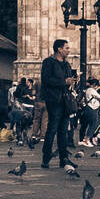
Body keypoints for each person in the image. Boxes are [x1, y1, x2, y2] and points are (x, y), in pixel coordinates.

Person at [39, 39, 75, 170]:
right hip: (54, 100)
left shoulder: (66, 64)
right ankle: (46, 156)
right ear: (59, 49)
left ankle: (63, 158)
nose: (68, 50)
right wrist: (64, 81)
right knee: (52, 128)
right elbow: (47, 80)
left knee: (63, 131)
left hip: (65, 100)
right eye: (66, 48)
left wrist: (71, 81)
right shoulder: (49, 62)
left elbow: (67, 80)